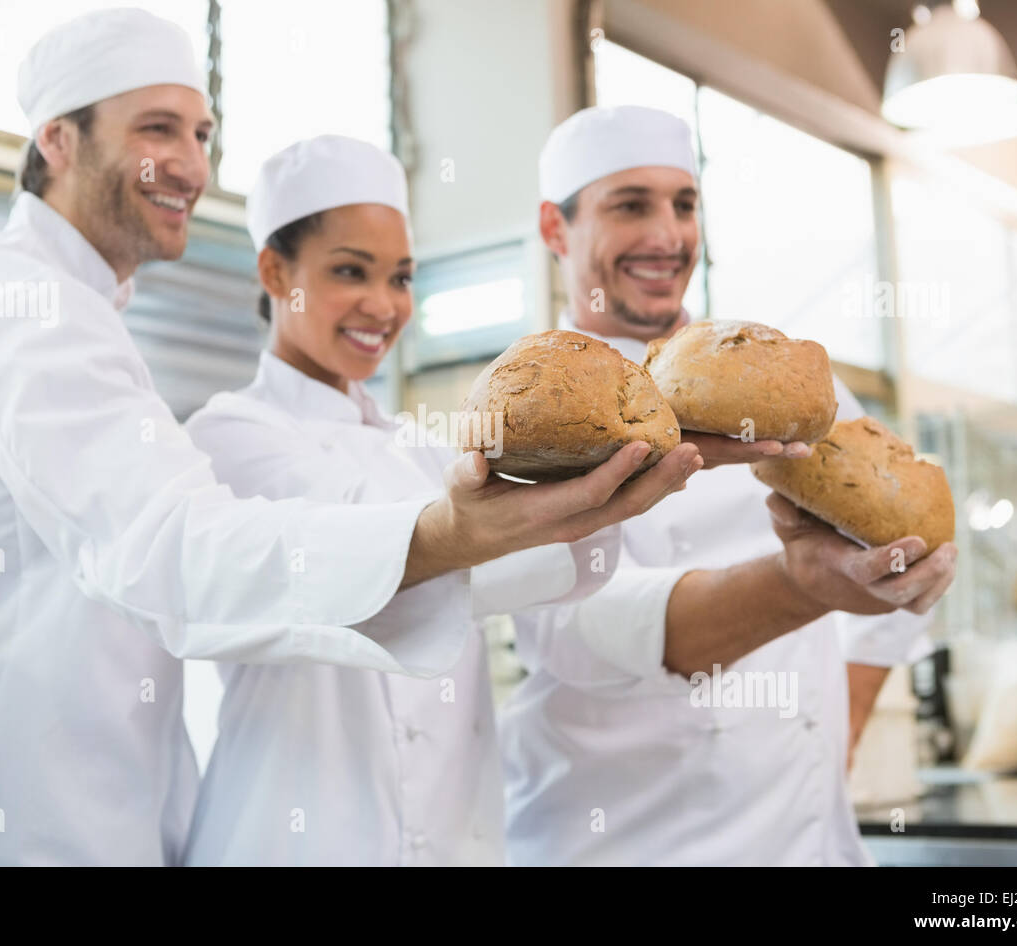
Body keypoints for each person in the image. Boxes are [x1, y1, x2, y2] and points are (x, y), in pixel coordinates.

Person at [0, 15, 697, 867]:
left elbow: (477, 578)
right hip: (6, 831)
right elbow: (167, 547)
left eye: (202, 132)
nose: (190, 162)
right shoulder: (26, 305)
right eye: (156, 128)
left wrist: (604, 488)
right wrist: (449, 533)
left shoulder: (83, 314)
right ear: (58, 141)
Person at [179, 136, 669, 865]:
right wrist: (494, 524)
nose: (383, 305)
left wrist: (624, 465)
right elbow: (360, 553)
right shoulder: (227, 435)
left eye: (402, 277)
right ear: (276, 271)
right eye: (351, 272)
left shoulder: (421, 447)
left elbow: (538, 574)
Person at [498, 105, 959, 866]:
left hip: (807, 836)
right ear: (555, 228)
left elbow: (900, 534)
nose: (668, 235)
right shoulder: (544, 406)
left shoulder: (779, 383)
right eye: (631, 205)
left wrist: (839, 722)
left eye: (684, 204)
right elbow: (579, 633)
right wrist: (804, 587)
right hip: (627, 840)